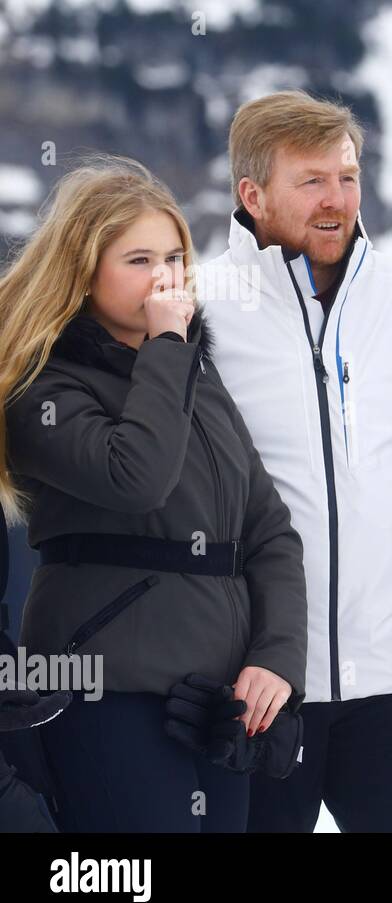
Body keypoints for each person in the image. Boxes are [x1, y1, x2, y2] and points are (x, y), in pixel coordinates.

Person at [198, 91, 392, 832]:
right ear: (252, 193)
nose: (338, 200)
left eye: (348, 177)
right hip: (253, 684)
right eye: (313, 181)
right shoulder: (200, 308)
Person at [0, 156, 308, 832]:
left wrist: (276, 660)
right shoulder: (44, 388)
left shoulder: (194, 373)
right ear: (83, 271)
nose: (166, 277)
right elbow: (134, 476)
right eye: (139, 260)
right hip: (102, 696)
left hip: (212, 705)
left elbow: (269, 531)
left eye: (175, 256)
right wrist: (168, 344)